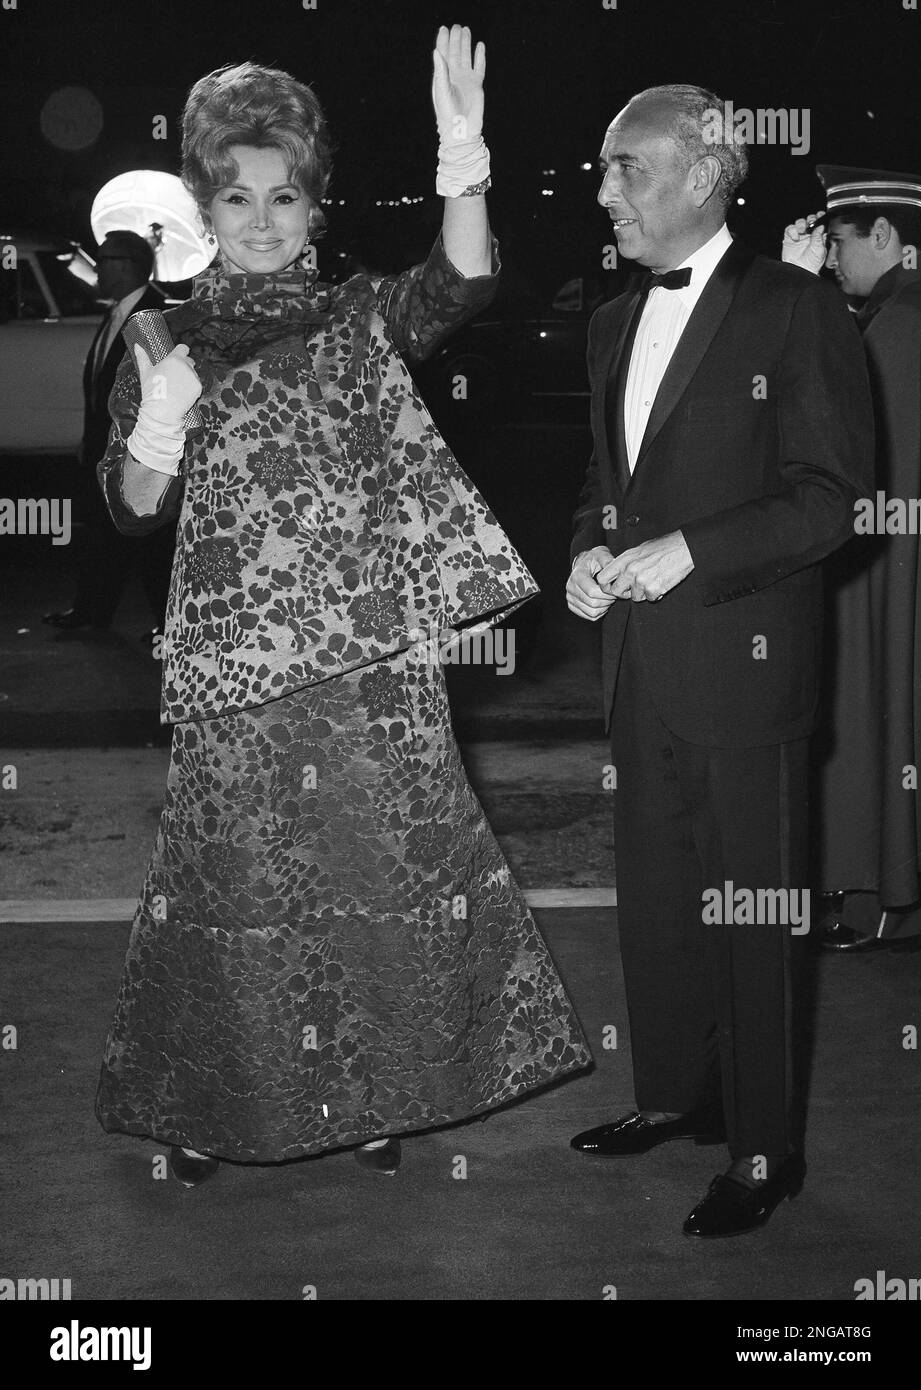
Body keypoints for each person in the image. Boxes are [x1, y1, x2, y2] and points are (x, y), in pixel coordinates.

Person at [94, 29, 590, 1188]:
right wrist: (161, 418)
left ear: (314, 208)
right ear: (206, 206)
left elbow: (461, 282)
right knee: (229, 886)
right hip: (232, 668)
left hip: (371, 661)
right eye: (236, 196)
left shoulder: (358, 319)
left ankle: (372, 1094)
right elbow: (129, 508)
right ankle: (208, 1103)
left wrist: (461, 158)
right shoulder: (165, 335)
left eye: (285, 197)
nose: (262, 220)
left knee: (378, 875)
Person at [565, 85, 874, 1237]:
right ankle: (675, 1099)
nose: (604, 192)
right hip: (639, 662)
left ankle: (762, 1149)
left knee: (751, 914)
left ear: (703, 175)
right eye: (604, 170)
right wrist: (589, 560)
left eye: (624, 168)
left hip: (747, 664)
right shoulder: (608, 322)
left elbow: (831, 500)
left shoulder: (797, 310)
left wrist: (691, 550)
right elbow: (603, 491)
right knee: (656, 899)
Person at [783, 167, 921, 954]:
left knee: (874, 714)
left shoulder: (895, 329)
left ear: (886, 239)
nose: (833, 260)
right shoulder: (891, 316)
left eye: (838, 243)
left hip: (883, 572)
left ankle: (875, 897)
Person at [42, 230, 175, 639]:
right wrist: (91, 437)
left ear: (125, 265)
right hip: (111, 451)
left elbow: (163, 391)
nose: (96, 268)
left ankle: (168, 627)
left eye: (102, 260)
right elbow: (102, 387)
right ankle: (92, 610)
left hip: (138, 455)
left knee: (152, 546)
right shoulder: (119, 312)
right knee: (106, 537)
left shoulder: (151, 316)